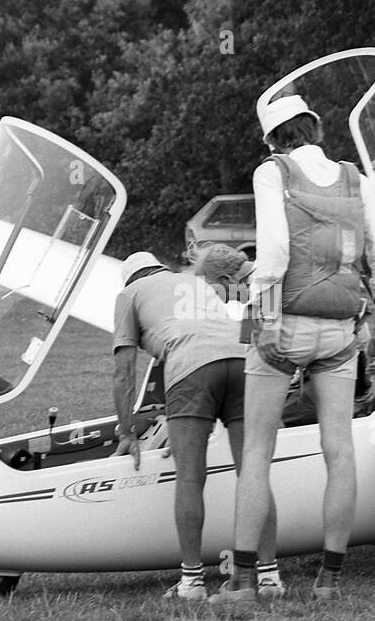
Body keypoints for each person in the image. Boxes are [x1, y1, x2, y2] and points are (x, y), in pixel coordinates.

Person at [210, 94, 375, 610]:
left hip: (284, 326)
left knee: (256, 454)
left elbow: (272, 252)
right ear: (314, 127)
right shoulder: (356, 179)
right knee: (339, 453)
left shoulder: (272, 173)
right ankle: (329, 580)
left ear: (272, 138)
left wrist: (265, 319)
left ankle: (244, 585)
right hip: (342, 335)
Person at [111, 247, 282, 601]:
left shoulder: (129, 295)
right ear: (161, 266)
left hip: (191, 370)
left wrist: (127, 431)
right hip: (241, 360)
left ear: (129, 278)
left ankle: (192, 582)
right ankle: (268, 577)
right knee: (252, 472)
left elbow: (124, 372)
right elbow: (266, 295)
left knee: (190, 478)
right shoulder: (194, 281)